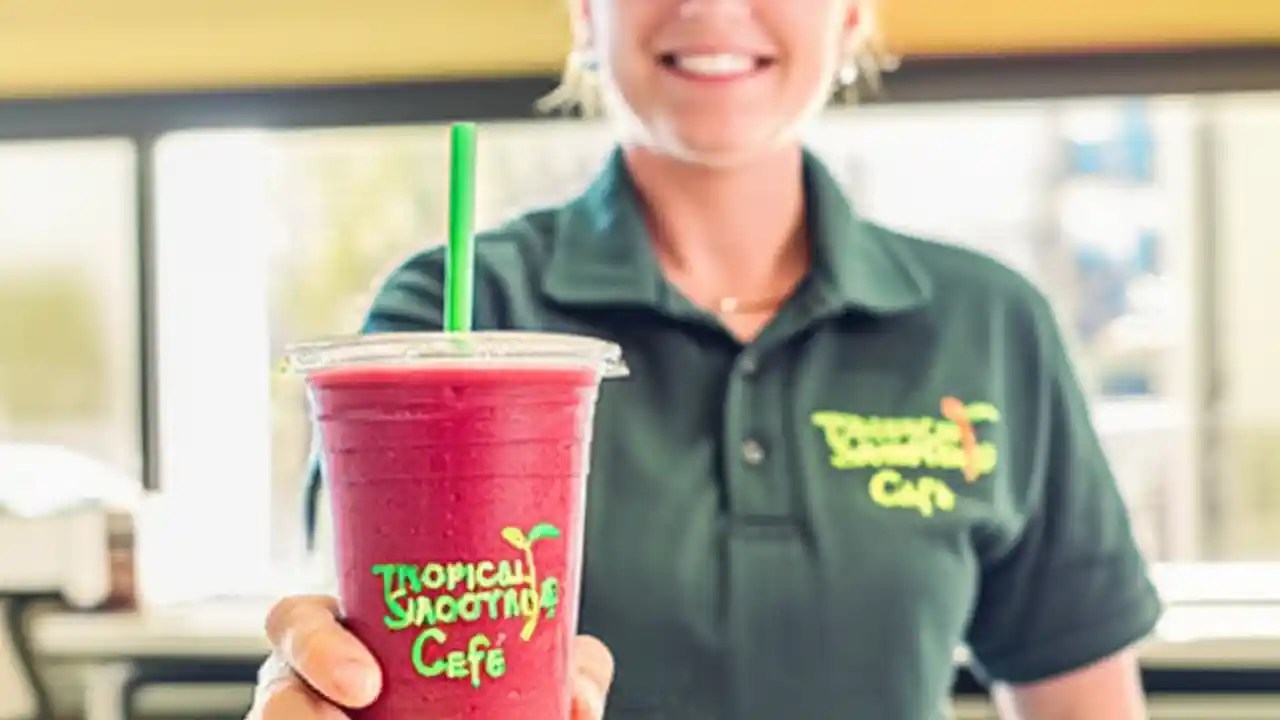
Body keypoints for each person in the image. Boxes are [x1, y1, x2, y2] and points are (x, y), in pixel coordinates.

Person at [248, 0, 1163, 717]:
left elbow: (1080, 696)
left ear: (850, 16)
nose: (713, 3)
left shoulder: (988, 325)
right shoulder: (453, 318)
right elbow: (380, 644)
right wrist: (325, 682)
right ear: (584, 15)